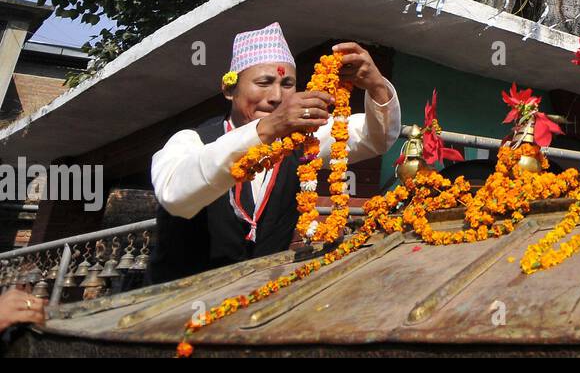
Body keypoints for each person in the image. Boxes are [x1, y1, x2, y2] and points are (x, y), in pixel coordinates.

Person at [149, 23, 400, 282]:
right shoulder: (191, 140)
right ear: (229, 90)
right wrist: (266, 129)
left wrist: (376, 86)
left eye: (288, 83)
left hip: (258, 302)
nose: (277, 96)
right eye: (264, 82)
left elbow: (374, 138)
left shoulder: (300, 141)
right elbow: (175, 196)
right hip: (178, 305)